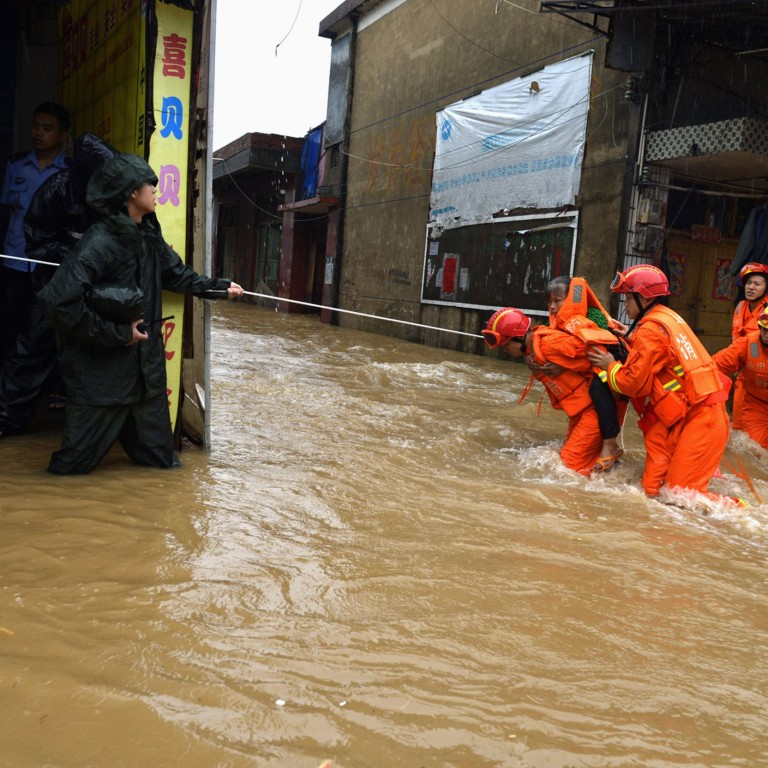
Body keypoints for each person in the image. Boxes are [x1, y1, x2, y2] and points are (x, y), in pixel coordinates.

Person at [37, 152, 244, 474]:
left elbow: (176, 275)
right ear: (131, 192)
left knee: (163, 466)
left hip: (146, 377)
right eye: (150, 184)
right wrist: (118, 334)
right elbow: (59, 303)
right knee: (71, 469)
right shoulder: (99, 243)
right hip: (102, 382)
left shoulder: (147, 234)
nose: (156, 190)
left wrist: (219, 287)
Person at [0, 133, 118, 438]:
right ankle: (7, 419)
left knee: (92, 350)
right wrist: (71, 254)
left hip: (93, 286)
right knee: (32, 348)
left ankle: (88, 428)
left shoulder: (113, 195)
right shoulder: (56, 191)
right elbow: (36, 240)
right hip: (52, 283)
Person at [585, 264, 731, 501]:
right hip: (692, 414)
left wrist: (608, 364)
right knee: (654, 491)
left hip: (700, 418)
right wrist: (632, 336)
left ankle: (743, 515)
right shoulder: (665, 319)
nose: (625, 304)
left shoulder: (651, 329)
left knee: (680, 497)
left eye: (628, 298)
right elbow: (663, 351)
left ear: (643, 297)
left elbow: (632, 383)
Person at [483, 305, 627, 476]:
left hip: (594, 412)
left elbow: (597, 350)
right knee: (584, 467)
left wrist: (563, 365)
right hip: (580, 414)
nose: (504, 350)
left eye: (506, 345)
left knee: (567, 471)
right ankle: (619, 480)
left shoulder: (549, 344)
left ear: (519, 337)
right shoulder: (532, 348)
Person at [0, 102, 70, 365]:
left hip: (50, 267)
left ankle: (43, 388)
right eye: (35, 126)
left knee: (46, 329)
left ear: (62, 135)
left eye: (47, 128)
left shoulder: (69, 173)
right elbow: (6, 211)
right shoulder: (16, 165)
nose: (38, 133)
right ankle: (9, 386)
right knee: (11, 324)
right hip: (14, 261)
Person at [544, 275, 629, 472]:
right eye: (549, 303)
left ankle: (610, 443)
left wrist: (563, 366)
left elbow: (589, 353)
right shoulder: (567, 322)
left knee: (598, 387)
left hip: (617, 363)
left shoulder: (587, 319)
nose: (552, 307)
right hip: (603, 364)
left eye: (557, 301)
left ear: (572, 299)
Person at [712, 310, 768, 450]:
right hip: (756, 404)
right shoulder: (747, 344)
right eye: (765, 330)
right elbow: (716, 366)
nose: (767, 335)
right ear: (760, 327)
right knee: (756, 449)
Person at [728, 262, 768, 430]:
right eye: (749, 283)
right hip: (743, 377)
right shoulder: (740, 306)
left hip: (762, 379)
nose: (751, 287)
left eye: (757, 284)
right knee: (738, 428)